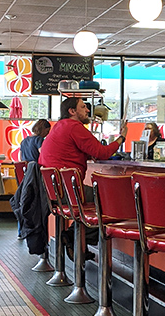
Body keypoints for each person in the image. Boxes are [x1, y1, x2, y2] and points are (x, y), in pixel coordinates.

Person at [39, 96, 128, 260]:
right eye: (83, 107)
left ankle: (77, 240)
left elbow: (72, 150)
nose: (88, 110)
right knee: (111, 200)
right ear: (72, 111)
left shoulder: (60, 127)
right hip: (67, 191)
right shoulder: (74, 127)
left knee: (96, 200)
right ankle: (75, 238)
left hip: (54, 190)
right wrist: (121, 138)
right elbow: (102, 153)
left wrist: (87, 154)